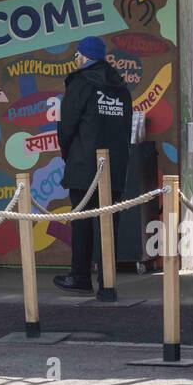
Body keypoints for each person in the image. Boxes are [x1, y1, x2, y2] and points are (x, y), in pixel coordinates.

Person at [53, 36, 133, 293]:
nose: (75, 59)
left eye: (77, 55)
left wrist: (70, 155)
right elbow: (126, 128)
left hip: (84, 164)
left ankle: (81, 277)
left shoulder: (81, 83)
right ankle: (107, 282)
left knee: (83, 222)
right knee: (109, 223)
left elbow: (67, 127)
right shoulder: (121, 87)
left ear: (84, 57)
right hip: (115, 164)